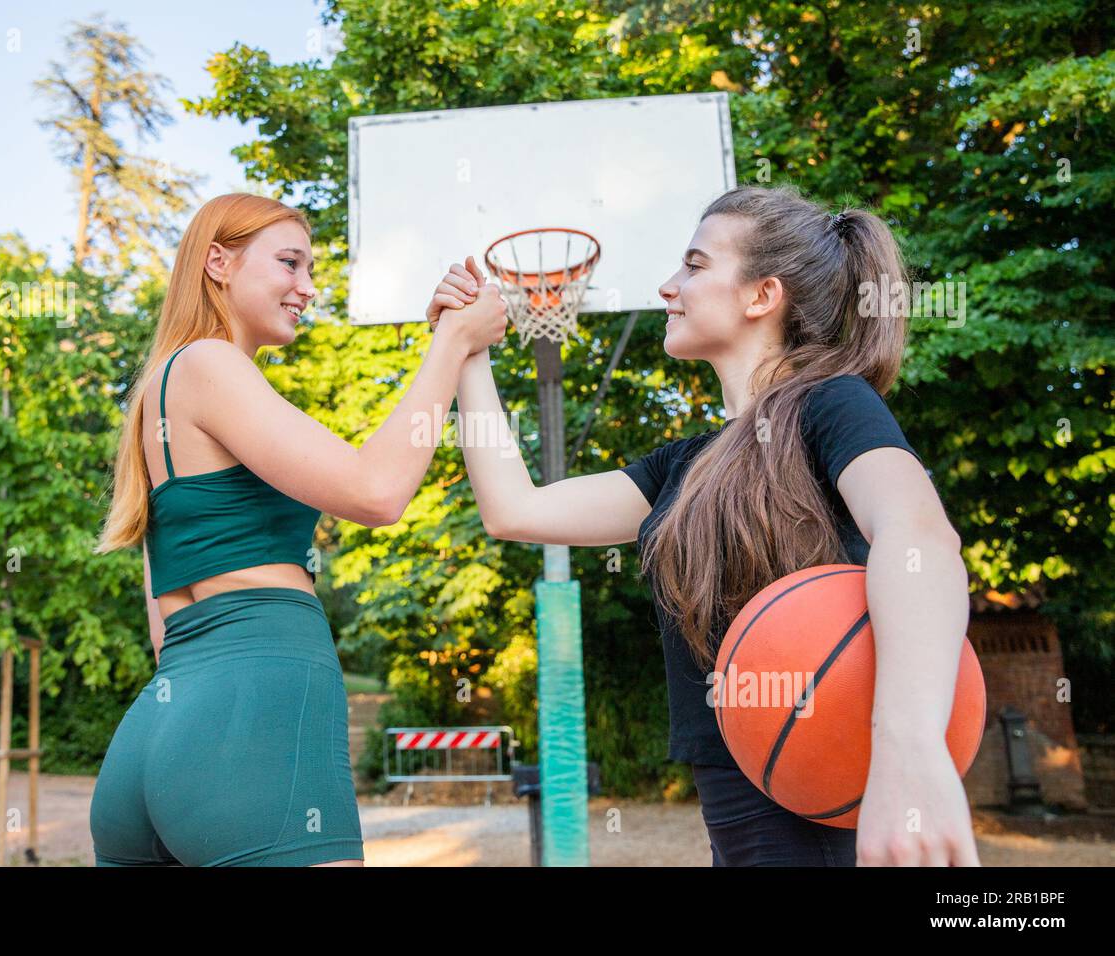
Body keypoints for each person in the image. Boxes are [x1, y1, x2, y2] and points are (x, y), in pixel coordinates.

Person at [437, 183, 979, 867]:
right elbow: (514, 510)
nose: (669, 286)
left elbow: (920, 539)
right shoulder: (683, 466)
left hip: (835, 817)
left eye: (693, 266)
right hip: (741, 832)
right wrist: (468, 352)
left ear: (762, 296)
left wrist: (912, 745)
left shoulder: (828, 404)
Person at [90, 193, 507, 866]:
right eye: (290, 263)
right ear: (218, 262)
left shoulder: (157, 398)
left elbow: (163, 627)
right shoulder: (210, 364)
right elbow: (376, 491)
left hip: (154, 737)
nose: (307, 288)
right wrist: (454, 340)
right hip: (254, 711)